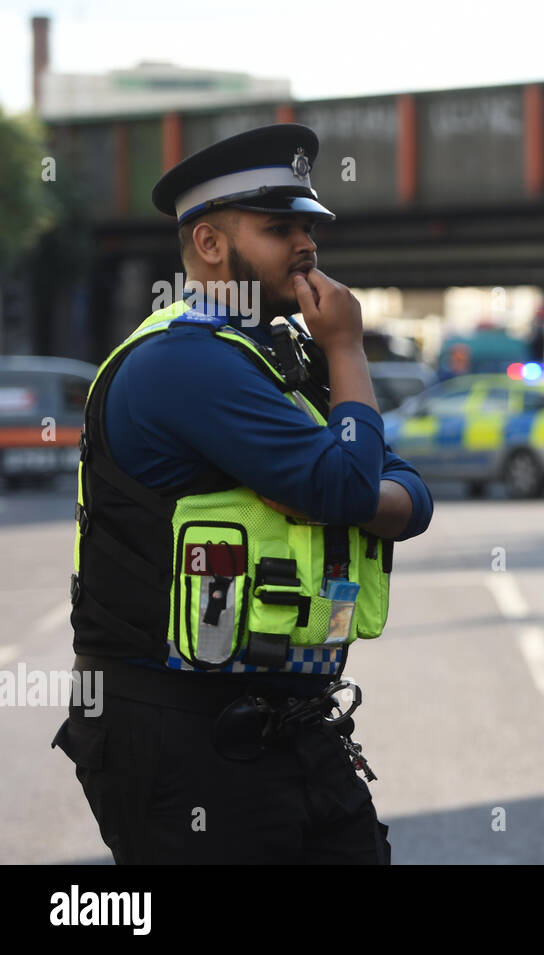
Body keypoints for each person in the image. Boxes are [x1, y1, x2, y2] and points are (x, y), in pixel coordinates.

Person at [51, 124, 433, 864]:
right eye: (278, 227)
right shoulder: (186, 362)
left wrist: (355, 488)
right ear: (210, 243)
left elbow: (404, 486)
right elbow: (356, 480)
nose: (305, 244)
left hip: (290, 722)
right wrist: (348, 348)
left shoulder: (276, 353)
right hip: (183, 733)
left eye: (309, 226)